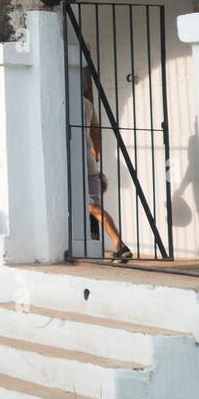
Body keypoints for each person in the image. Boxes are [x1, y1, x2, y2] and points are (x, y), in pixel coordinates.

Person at [82, 77, 133, 263]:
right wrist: (96, 153)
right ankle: (119, 244)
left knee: (89, 207)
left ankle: (117, 245)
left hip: (72, 162)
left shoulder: (63, 101)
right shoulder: (88, 104)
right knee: (93, 206)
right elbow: (96, 132)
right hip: (89, 162)